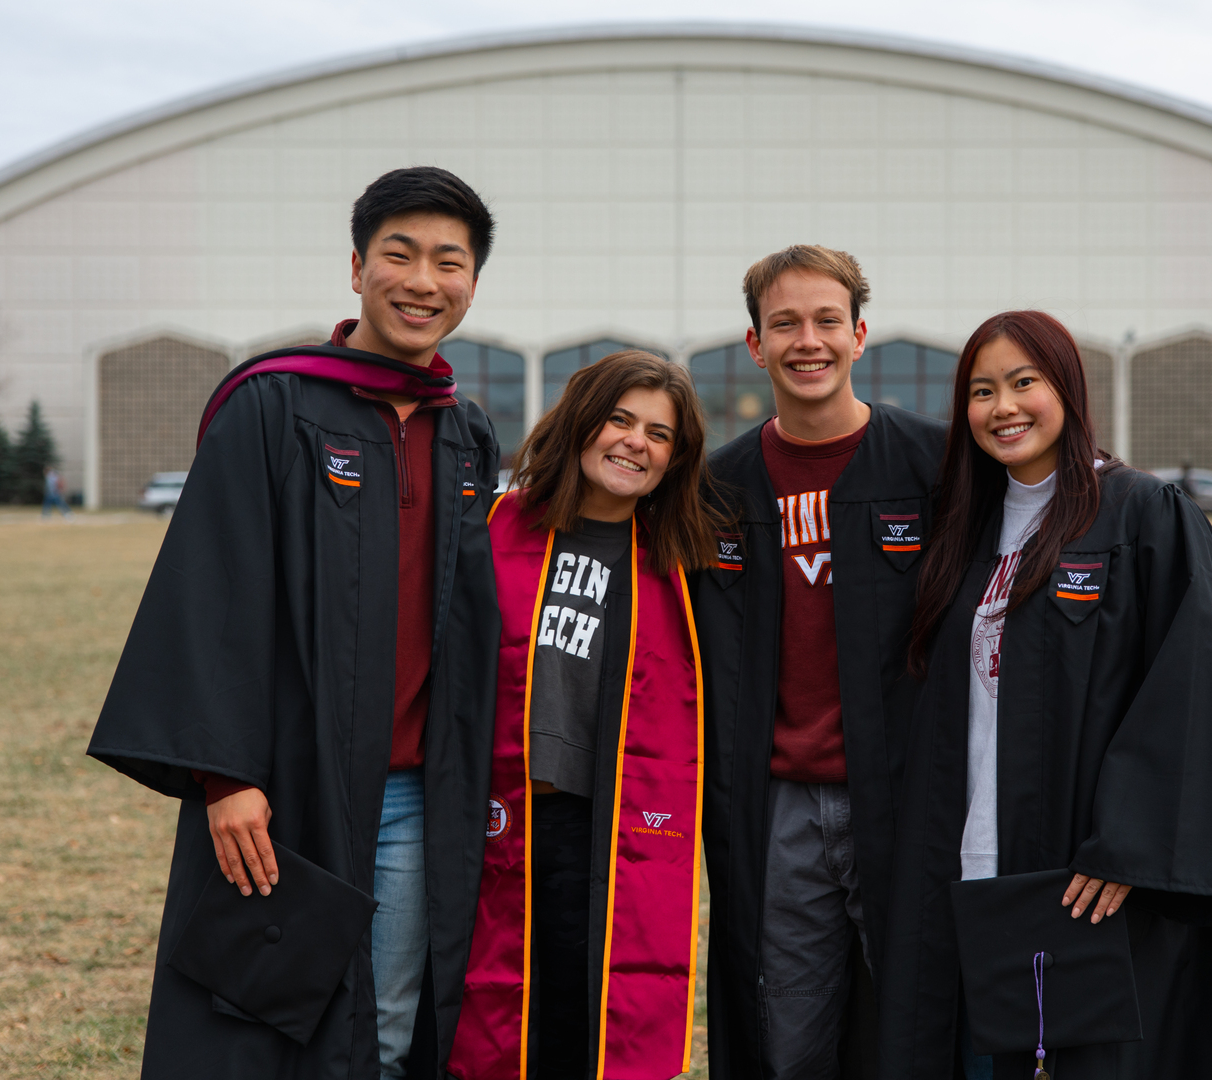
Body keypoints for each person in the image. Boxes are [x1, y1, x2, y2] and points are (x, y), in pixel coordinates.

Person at [87, 166, 503, 1079]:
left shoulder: (466, 436)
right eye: (399, 255)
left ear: (473, 284)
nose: (422, 282)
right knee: (258, 1025)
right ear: (357, 268)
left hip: (412, 796)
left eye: (449, 262)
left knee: (387, 1029)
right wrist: (223, 776)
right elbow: (210, 593)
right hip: (280, 789)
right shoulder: (272, 406)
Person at [877, 311, 1212, 1078]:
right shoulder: (965, 526)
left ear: (1068, 389)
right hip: (962, 858)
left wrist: (1129, 844)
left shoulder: (1143, 514)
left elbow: (1189, 692)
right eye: (982, 392)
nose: (1003, 407)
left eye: (1024, 383)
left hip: (1078, 872)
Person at [693, 245, 947, 1079]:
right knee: (787, 1041)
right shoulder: (715, 489)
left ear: (861, 334)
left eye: (827, 320)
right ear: (755, 345)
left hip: (906, 798)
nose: (809, 340)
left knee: (915, 1024)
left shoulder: (936, 469)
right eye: (785, 323)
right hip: (779, 808)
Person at [448, 351, 719, 1080]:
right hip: (490, 813)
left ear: (675, 457)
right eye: (620, 419)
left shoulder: (681, 564)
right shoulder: (493, 527)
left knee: (579, 1023)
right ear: (580, 425)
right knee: (482, 1021)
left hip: (600, 826)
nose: (636, 442)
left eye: (659, 434)